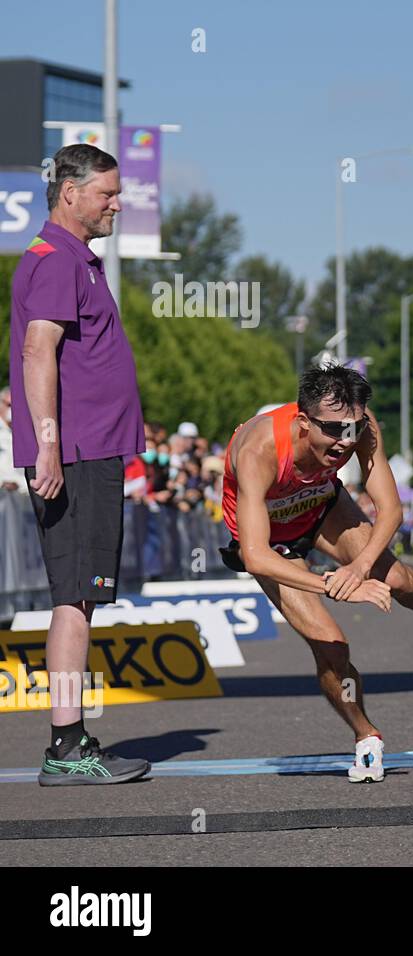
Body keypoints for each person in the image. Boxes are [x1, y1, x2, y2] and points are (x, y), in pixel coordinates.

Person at [220, 364, 413, 782]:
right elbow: (256, 556)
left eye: (353, 430)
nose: (344, 442)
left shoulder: (361, 426)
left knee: (395, 577)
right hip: (271, 540)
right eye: (334, 431)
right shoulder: (258, 450)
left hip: (320, 507)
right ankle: (366, 735)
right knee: (331, 644)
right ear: (303, 423)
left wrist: (358, 568)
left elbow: (391, 509)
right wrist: (333, 586)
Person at [8, 143, 150, 785]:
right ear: (70, 192)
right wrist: (47, 444)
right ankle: (66, 745)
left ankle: (72, 738)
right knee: (74, 597)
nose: (117, 203)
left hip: (90, 453)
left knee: (81, 599)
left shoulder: (76, 261)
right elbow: (39, 352)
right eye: (107, 194)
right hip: (76, 456)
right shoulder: (54, 262)